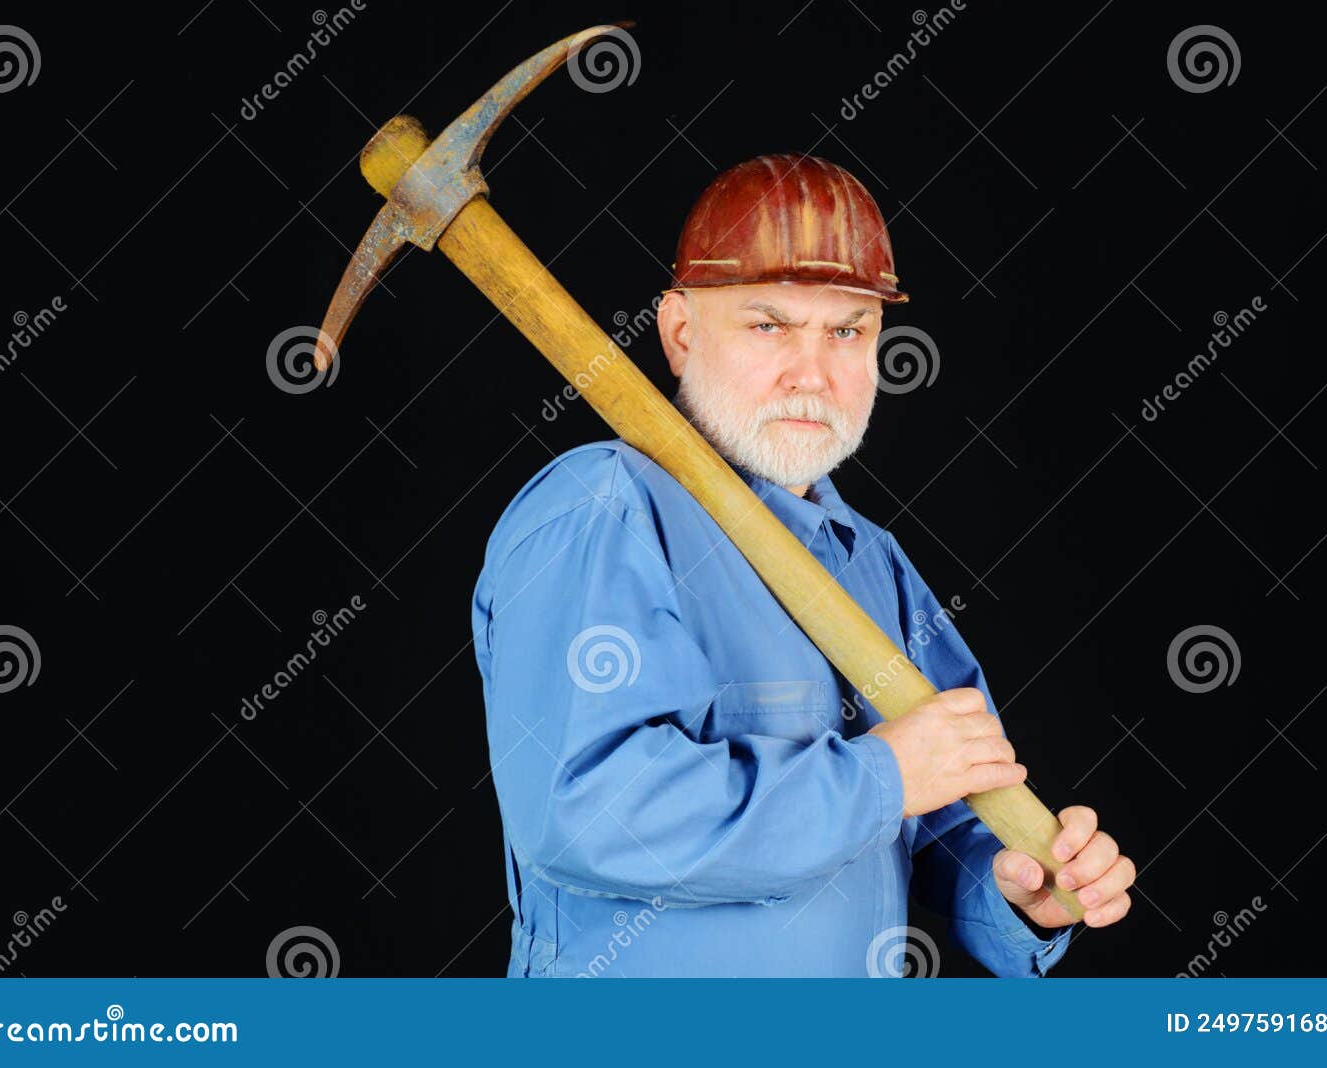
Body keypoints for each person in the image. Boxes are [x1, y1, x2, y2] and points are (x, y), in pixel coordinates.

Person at [471, 154, 1134, 977]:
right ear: (679, 333)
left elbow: (947, 812)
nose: (812, 374)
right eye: (768, 326)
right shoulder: (602, 511)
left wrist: (1015, 890)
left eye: (846, 332)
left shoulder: (871, 561)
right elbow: (585, 810)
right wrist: (882, 776)